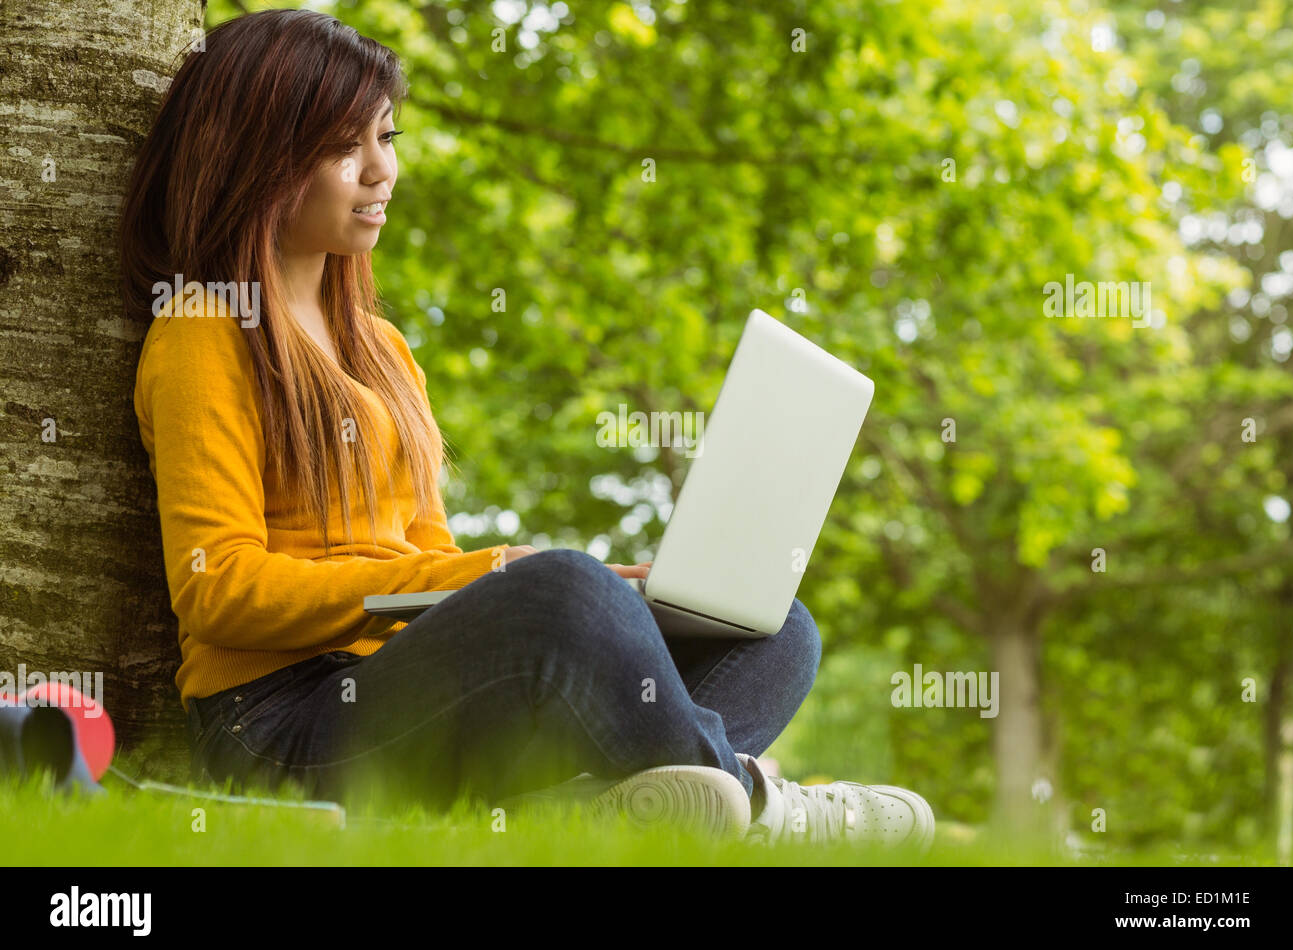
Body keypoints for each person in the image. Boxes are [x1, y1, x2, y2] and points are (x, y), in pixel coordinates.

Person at [119, 8, 934, 850]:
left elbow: (423, 555)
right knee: (565, 591)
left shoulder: (384, 351)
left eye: (388, 138)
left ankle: (603, 801)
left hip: (411, 694)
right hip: (284, 728)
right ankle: (760, 805)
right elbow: (217, 592)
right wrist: (514, 580)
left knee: (770, 626)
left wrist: (609, 601)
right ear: (259, 158)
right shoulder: (204, 332)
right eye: (343, 147)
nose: (380, 170)